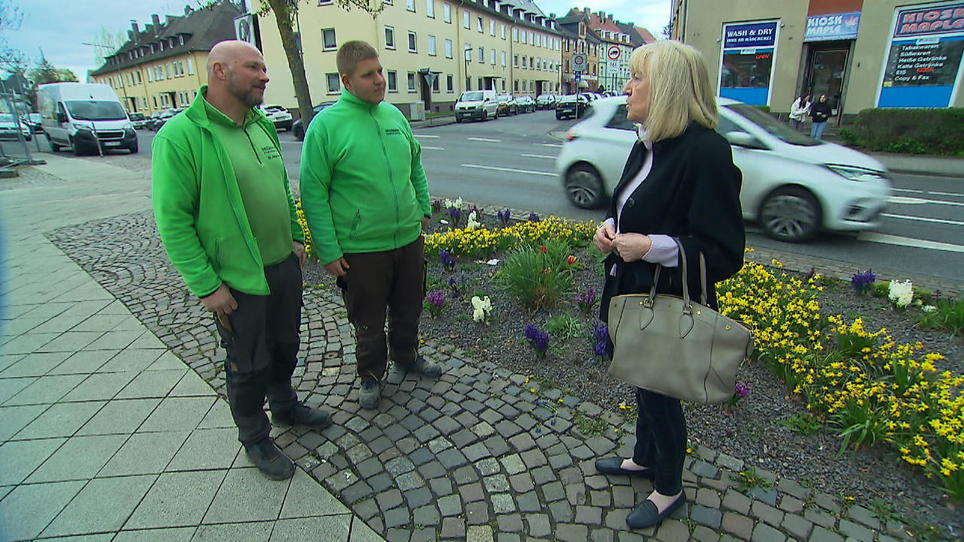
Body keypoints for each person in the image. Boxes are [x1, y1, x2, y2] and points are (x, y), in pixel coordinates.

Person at [152, 40, 332, 482]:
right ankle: (254, 436)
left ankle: (285, 405)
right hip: (236, 279)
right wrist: (206, 285)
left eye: (264, 68)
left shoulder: (261, 125)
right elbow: (173, 220)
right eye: (254, 68)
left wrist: (295, 236)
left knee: (285, 345)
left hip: (282, 267)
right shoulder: (181, 137)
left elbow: (280, 187)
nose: (264, 76)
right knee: (248, 362)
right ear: (220, 71)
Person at [591, 41, 745, 530]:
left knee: (660, 392)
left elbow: (723, 251)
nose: (627, 87)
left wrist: (651, 246)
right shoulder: (646, 142)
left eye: (638, 77)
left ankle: (669, 487)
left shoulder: (707, 152)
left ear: (668, 88)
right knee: (642, 379)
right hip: (631, 291)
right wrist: (609, 229)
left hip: (669, 300)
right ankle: (643, 457)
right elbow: (627, 206)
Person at [299, 41, 440, 410]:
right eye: (368, 75)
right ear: (346, 81)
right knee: (368, 318)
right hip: (361, 248)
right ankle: (371, 375)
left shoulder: (394, 117)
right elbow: (313, 192)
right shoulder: (326, 127)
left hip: (407, 238)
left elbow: (415, 164)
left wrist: (423, 206)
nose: (379, 80)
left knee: (409, 307)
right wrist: (328, 250)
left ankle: (407, 356)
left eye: (380, 71)